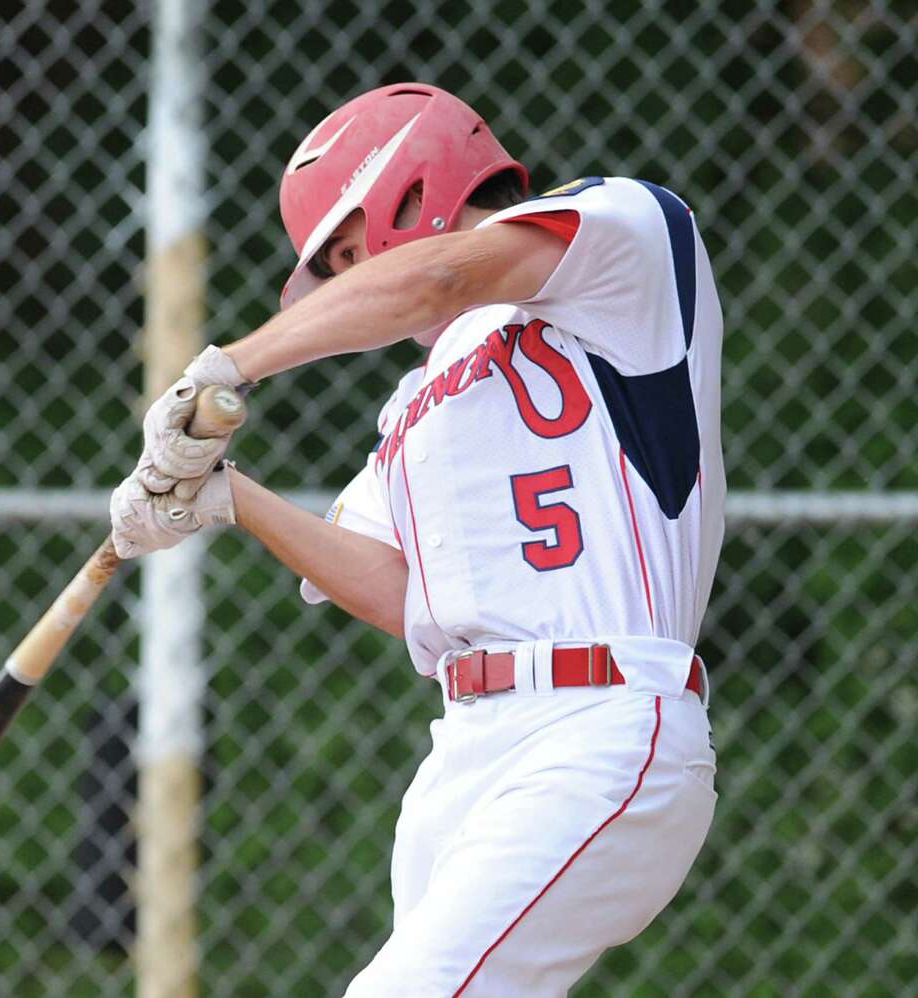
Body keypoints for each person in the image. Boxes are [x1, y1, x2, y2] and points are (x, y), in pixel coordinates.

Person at [110, 82, 724, 997]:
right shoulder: (417, 407)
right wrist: (225, 496)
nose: (354, 285)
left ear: (410, 187)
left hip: (600, 719)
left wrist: (229, 366)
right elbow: (402, 591)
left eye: (351, 254)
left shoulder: (623, 233)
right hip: (465, 753)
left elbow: (439, 277)